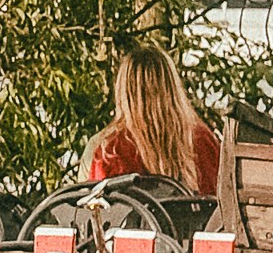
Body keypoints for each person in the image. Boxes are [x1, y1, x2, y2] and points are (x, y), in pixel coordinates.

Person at [85, 44, 225, 199]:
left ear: (124, 93)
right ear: (173, 88)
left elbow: (97, 212)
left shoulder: (111, 151)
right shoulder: (204, 142)